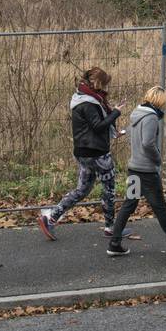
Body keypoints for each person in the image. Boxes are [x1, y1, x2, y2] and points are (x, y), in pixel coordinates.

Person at [106, 86, 166, 256]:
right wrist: (157, 159)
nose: (165, 105)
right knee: (160, 207)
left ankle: (114, 243)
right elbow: (148, 143)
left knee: (129, 204)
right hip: (146, 171)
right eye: (164, 102)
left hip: (133, 168)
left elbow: (132, 137)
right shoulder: (151, 117)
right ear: (159, 101)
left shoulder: (135, 114)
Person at [38, 67, 124, 240]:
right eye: (104, 84)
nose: (105, 88)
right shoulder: (89, 103)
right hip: (97, 153)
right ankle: (110, 227)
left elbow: (93, 127)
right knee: (109, 188)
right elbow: (98, 126)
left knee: (82, 190)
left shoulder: (81, 98)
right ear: (97, 82)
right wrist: (116, 112)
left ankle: (52, 217)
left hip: (83, 152)